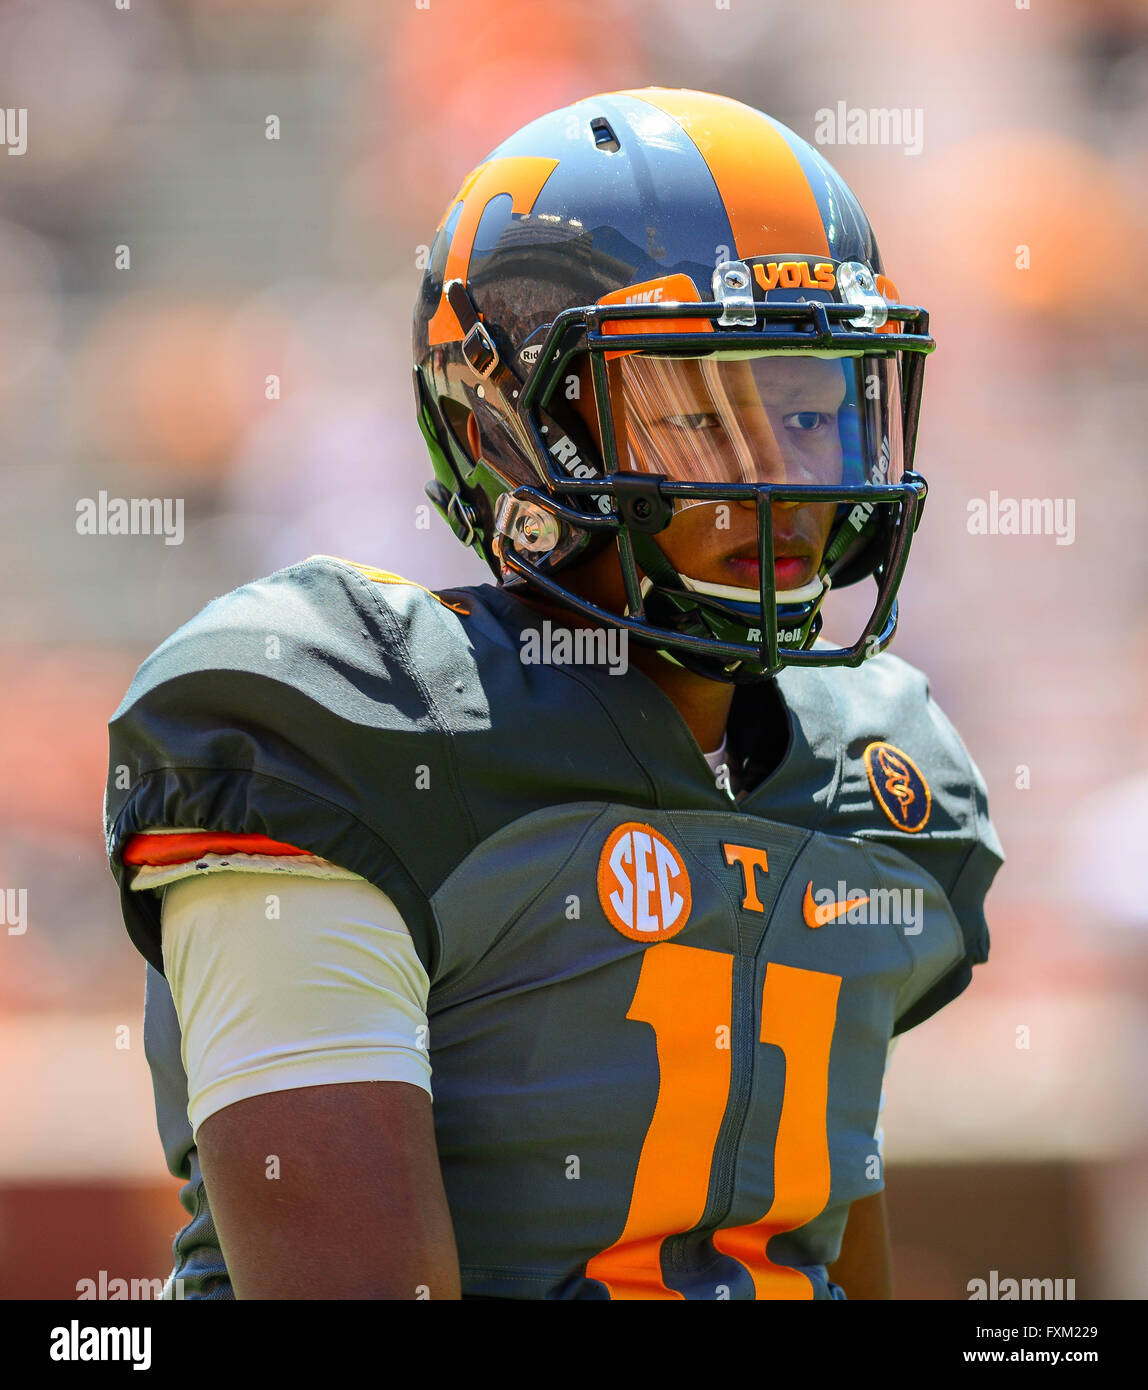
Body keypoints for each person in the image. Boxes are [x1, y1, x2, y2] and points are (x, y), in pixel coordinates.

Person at [104, 87, 1003, 1300]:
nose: (781, 478)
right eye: (699, 417)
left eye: (809, 409)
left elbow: (810, 1246)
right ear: (512, 432)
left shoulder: (870, 771)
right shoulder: (349, 727)